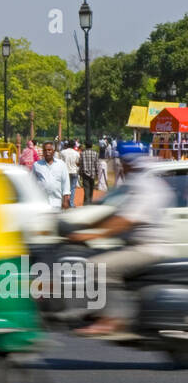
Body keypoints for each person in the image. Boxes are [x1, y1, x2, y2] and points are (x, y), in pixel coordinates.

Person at [73, 143, 171, 337]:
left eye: (122, 161)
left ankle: (112, 318)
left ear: (130, 162)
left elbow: (125, 220)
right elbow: (113, 211)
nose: (119, 166)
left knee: (98, 265)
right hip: (135, 246)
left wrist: (94, 234)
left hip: (147, 249)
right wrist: (85, 225)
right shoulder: (135, 182)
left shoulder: (146, 186)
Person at [32, 141, 71, 210]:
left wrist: (65, 201)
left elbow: (66, 184)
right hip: (42, 204)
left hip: (57, 203)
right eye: (45, 150)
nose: (47, 152)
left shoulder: (61, 164)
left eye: (49, 150)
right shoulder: (37, 165)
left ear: (53, 151)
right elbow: (32, 184)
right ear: (43, 152)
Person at [79, 140, 99, 204]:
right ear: (92, 145)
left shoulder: (82, 153)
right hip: (93, 174)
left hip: (85, 174)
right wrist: (97, 174)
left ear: (85, 146)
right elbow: (97, 164)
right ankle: (89, 202)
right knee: (91, 189)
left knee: (86, 189)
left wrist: (80, 173)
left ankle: (86, 203)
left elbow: (81, 164)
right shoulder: (95, 153)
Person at [61, 139, 80, 207]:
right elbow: (77, 163)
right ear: (74, 145)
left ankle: (64, 203)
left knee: (64, 188)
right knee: (72, 188)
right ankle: (71, 204)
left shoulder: (63, 152)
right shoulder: (76, 153)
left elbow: (60, 161)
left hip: (65, 172)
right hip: (74, 171)